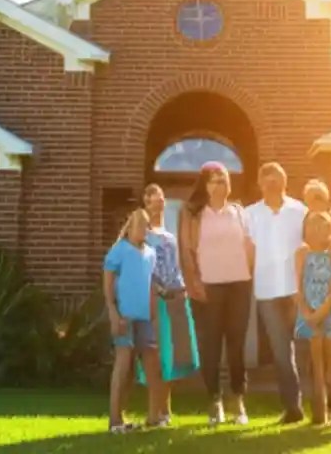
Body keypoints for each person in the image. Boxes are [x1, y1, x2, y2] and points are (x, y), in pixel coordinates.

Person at [178, 161, 254, 426]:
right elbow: (187, 251)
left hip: (239, 285)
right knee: (210, 346)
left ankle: (238, 400)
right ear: (204, 185)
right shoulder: (192, 213)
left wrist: (251, 274)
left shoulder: (239, 211)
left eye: (222, 180)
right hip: (208, 287)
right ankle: (214, 400)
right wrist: (193, 282)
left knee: (236, 346)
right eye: (213, 180)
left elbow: (249, 246)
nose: (218, 184)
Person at [133, 183, 200, 426]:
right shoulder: (143, 235)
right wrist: (156, 289)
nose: (158, 203)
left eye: (161, 198)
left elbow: (176, 266)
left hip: (176, 297)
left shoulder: (170, 235)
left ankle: (166, 410)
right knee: (157, 355)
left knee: (172, 356)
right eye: (152, 200)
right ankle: (156, 410)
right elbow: (141, 269)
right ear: (145, 204)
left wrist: (183, 289)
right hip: (155, 300)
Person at [246, 162, 307, 424]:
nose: (271, 184)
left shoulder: (300, 211)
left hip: (297, 290)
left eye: (276, 178)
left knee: (305, 349)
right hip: (267, 291)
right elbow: (248, 253)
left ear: (285, 181)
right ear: (260, 184)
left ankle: (320, 405)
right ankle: (292, 408)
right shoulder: (250, 214)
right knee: (281, 352)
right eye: (266, 179)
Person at [295, 179, 331, 429]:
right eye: (311, 226)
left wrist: (322, 312)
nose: (316, 230)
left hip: (329, 311)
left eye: (322, 226)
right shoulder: (301, 253)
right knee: (315, 366)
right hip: (308, 313)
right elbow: (297, 288)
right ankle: (319, 415)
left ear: (329, 228)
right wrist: (308, 314)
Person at [103, 208, 165, 434]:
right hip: (124, 316)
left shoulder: (150, 253)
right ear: (129, 227)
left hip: (144, 318)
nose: (142, 229)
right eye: (138, 224)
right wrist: (113, 312)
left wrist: (154, 316)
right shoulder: (118, 251)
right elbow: (108, 284)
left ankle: (153, 417)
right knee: (123, 366)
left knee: (152, 365)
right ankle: (115, 420)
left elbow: (150, 286)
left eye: (145, 225)